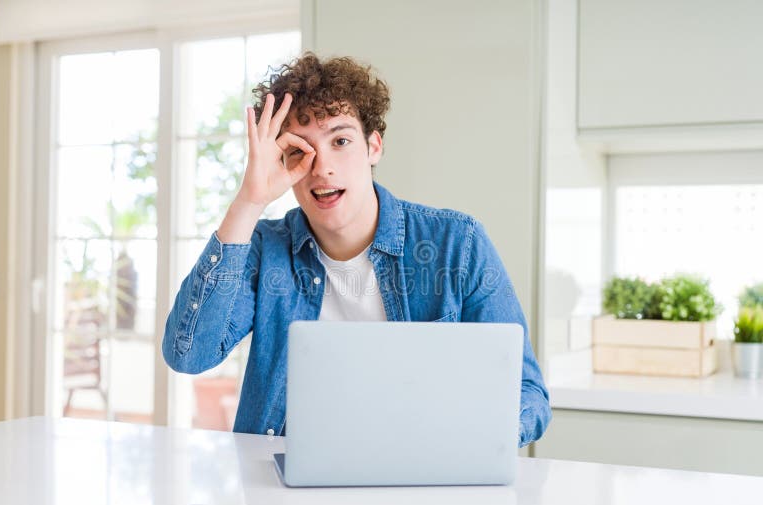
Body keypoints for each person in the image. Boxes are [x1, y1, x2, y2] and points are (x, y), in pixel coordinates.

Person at [162, 52, 551, 447]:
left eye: (341, 141)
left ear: (374, 147)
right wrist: (248, 202)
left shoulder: (457, 244)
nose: (321, 167)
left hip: (421, 476)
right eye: (299, 150)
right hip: (285, 487)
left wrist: (472, 441)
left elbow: (526, 391)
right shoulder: (265, 247)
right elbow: (189, 354)